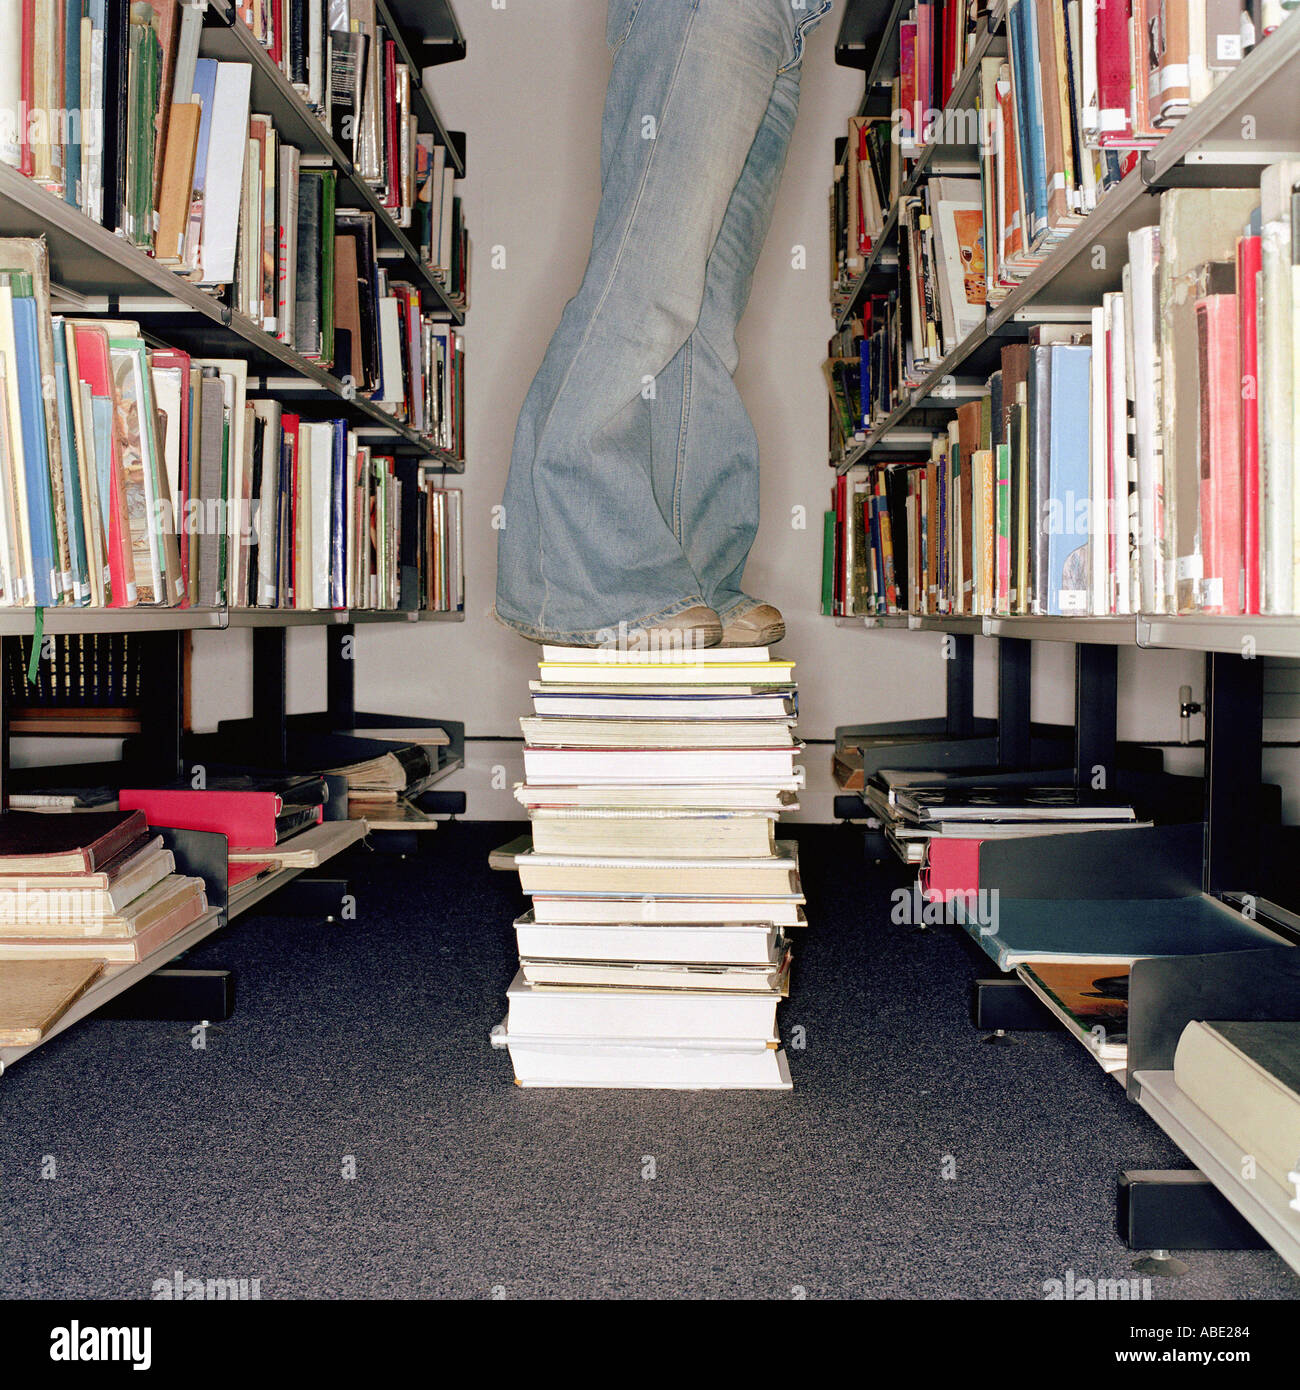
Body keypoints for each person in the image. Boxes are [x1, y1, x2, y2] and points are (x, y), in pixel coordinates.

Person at [494, 0, 832, 649]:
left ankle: (689, 576)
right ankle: (584, 581)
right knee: (645, 281)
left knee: (706, 324)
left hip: (792, 21)